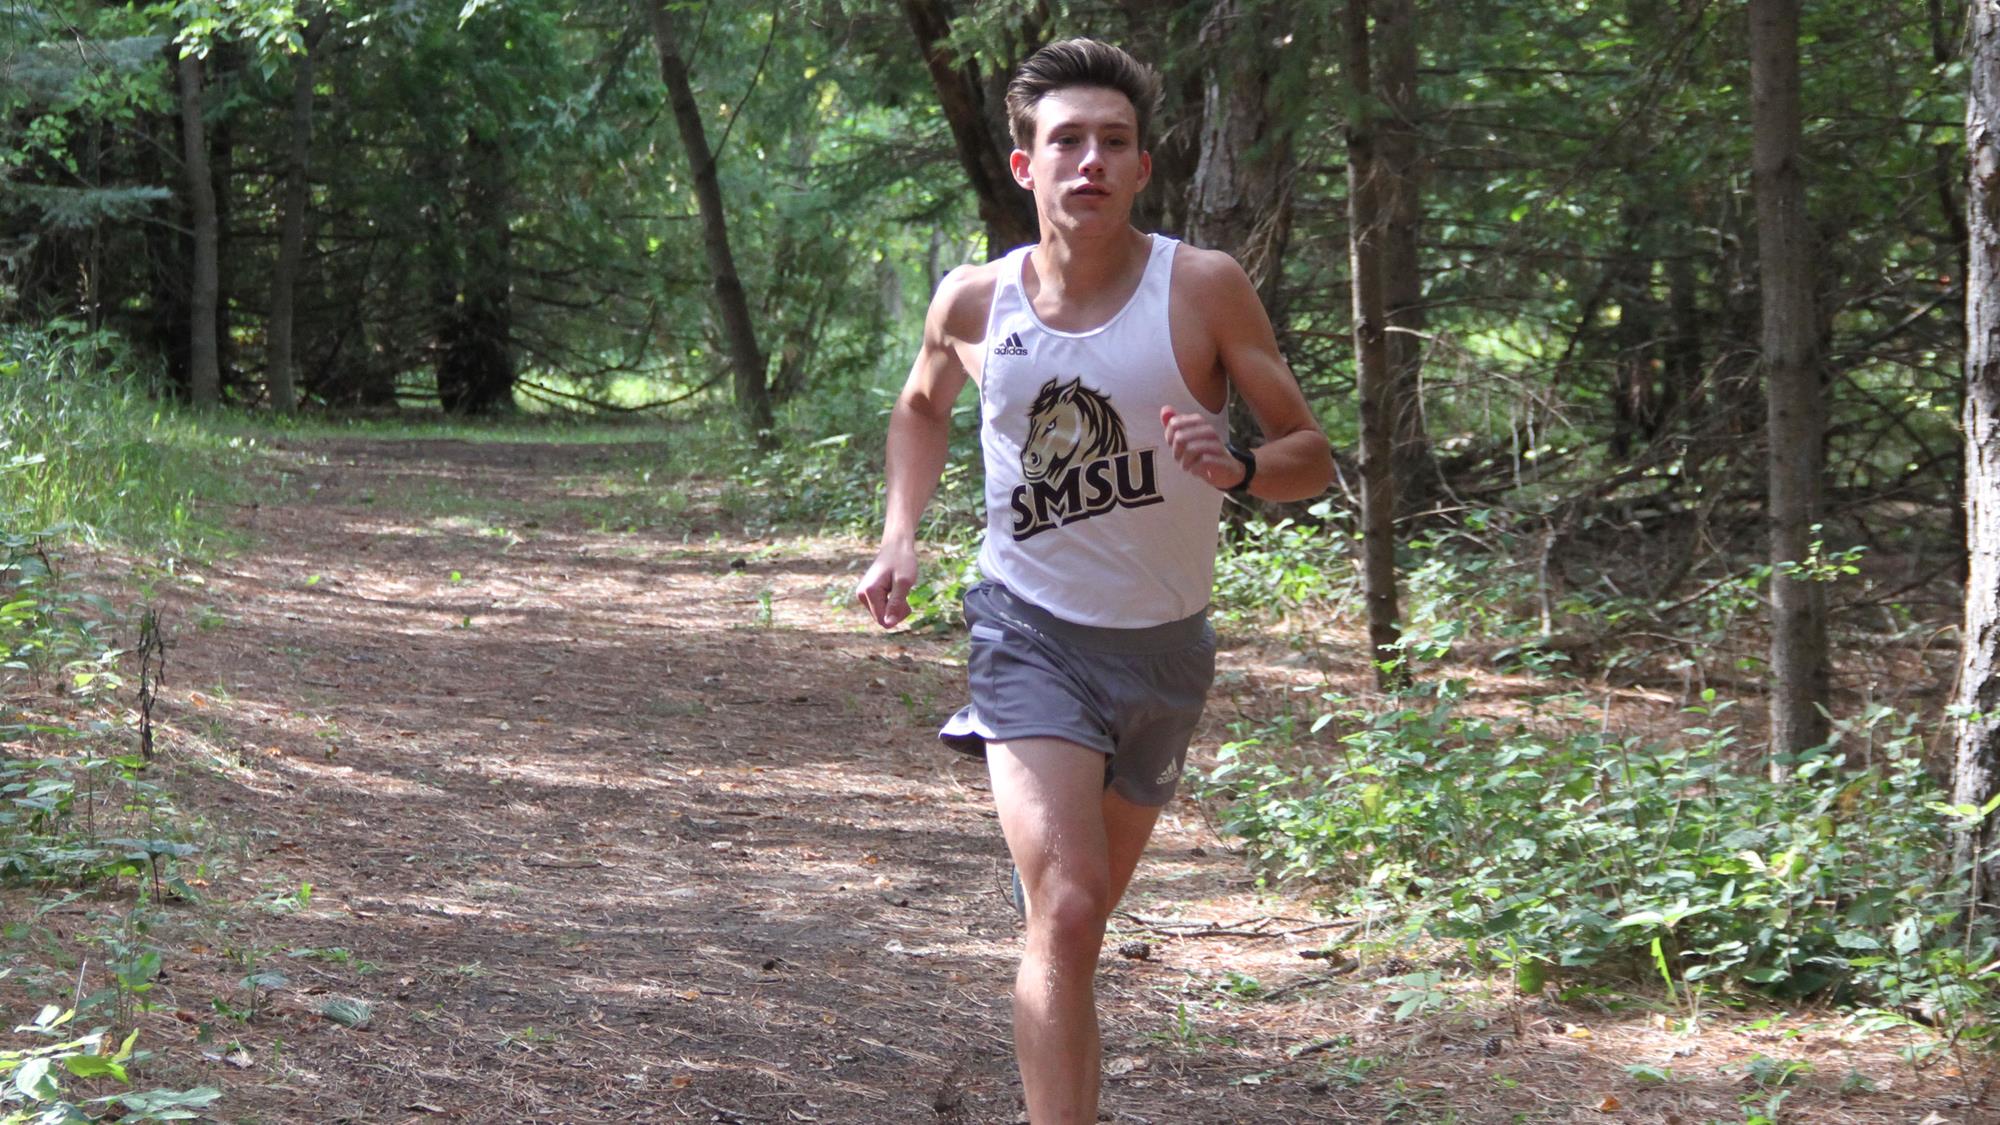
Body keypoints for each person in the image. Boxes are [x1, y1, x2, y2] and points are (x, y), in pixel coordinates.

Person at [855, 38, 1333, 1125]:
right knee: (1065, 914)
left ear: (1141, 168)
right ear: (1024, 166)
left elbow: (1312, 453)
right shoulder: (977, 302)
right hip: (1028, 632)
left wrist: (1243, 467)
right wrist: (898, 536)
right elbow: (922, 407)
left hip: (1165, 652)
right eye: (1064, 141)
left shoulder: (1202, 288)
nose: (1089, 163)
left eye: (1112, 143)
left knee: (1079, 924)